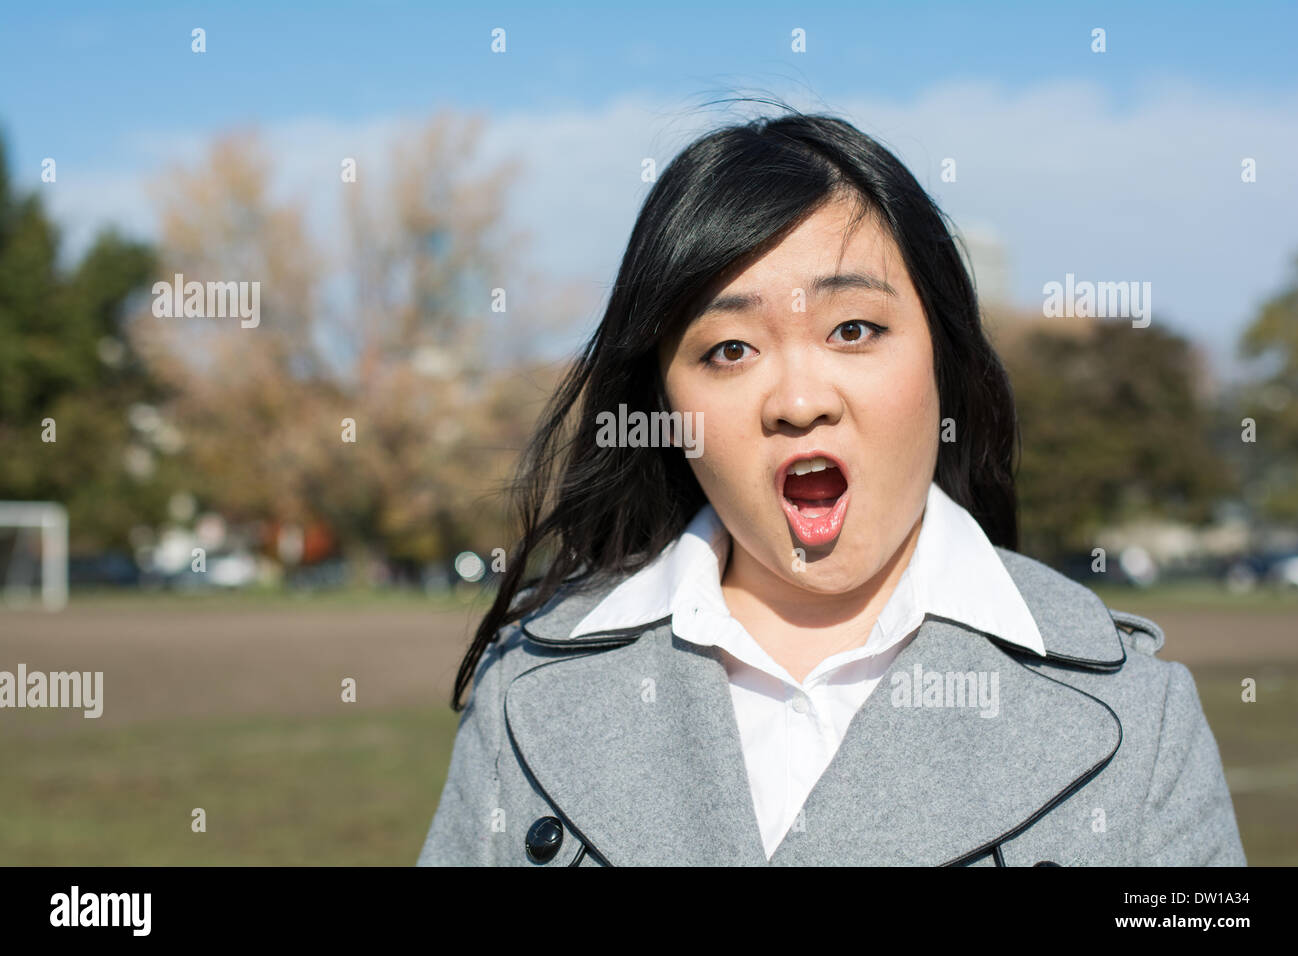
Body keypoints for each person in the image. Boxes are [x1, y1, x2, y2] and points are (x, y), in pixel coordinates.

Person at [416, 108, 1247, 866]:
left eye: (855, 329)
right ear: (665, 405)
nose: (800, 401)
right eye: (729, 349)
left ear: (942, 359)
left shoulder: (1138, 714)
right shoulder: (523, 695)